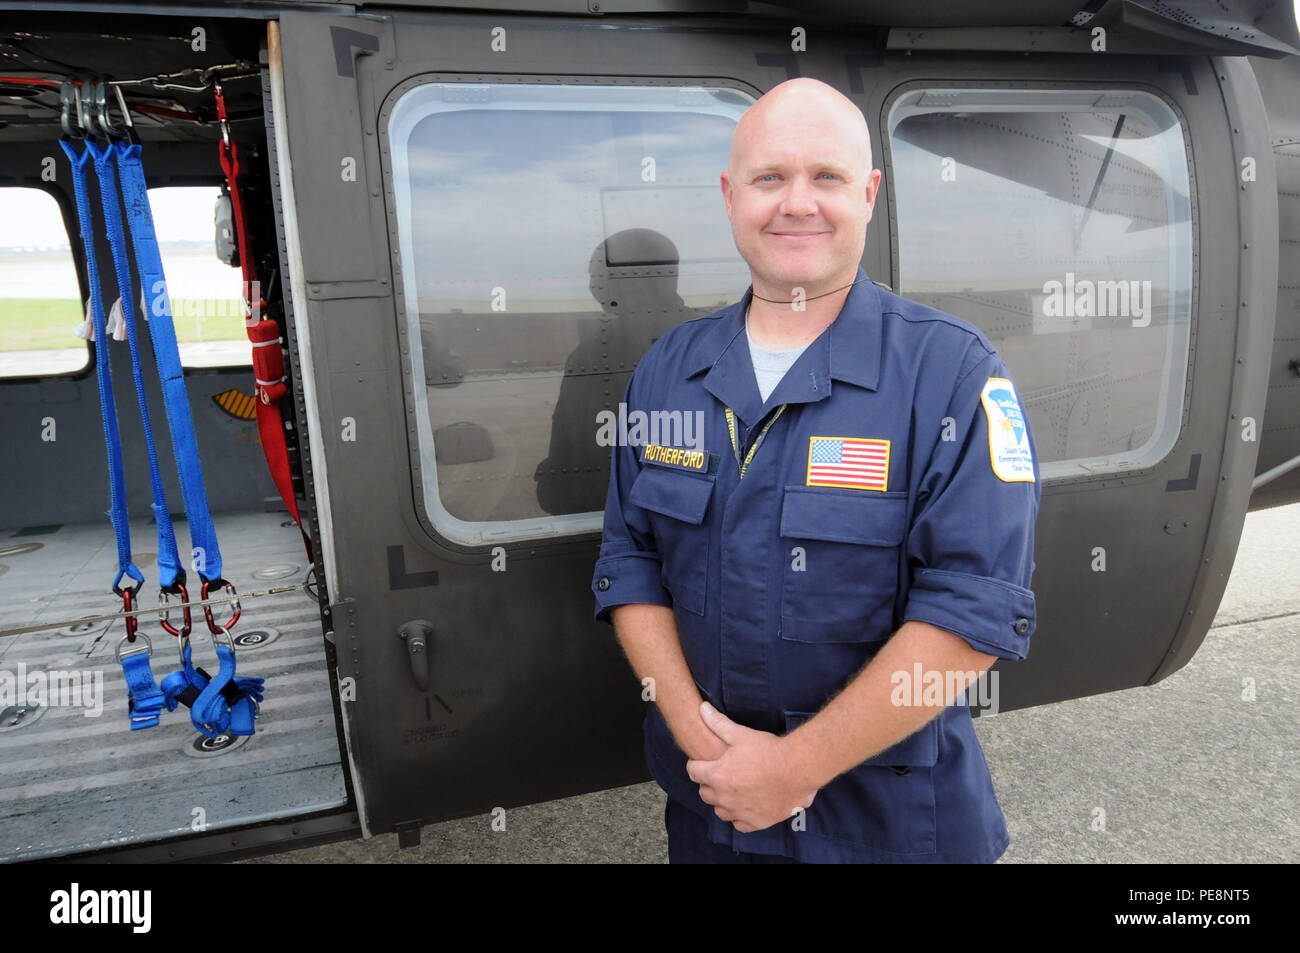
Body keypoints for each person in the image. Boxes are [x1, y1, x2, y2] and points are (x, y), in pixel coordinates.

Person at [591, 77, 1040, 863]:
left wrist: (792, 769)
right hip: (712, 813)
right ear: (732, 197)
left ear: (867, 194)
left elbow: (973, 611)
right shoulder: (667, 372)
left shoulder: (954, 374)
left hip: (889, 828)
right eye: (770, 178)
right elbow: (628, 567)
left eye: (826, 177)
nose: (797, 202)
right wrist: (714, 750)